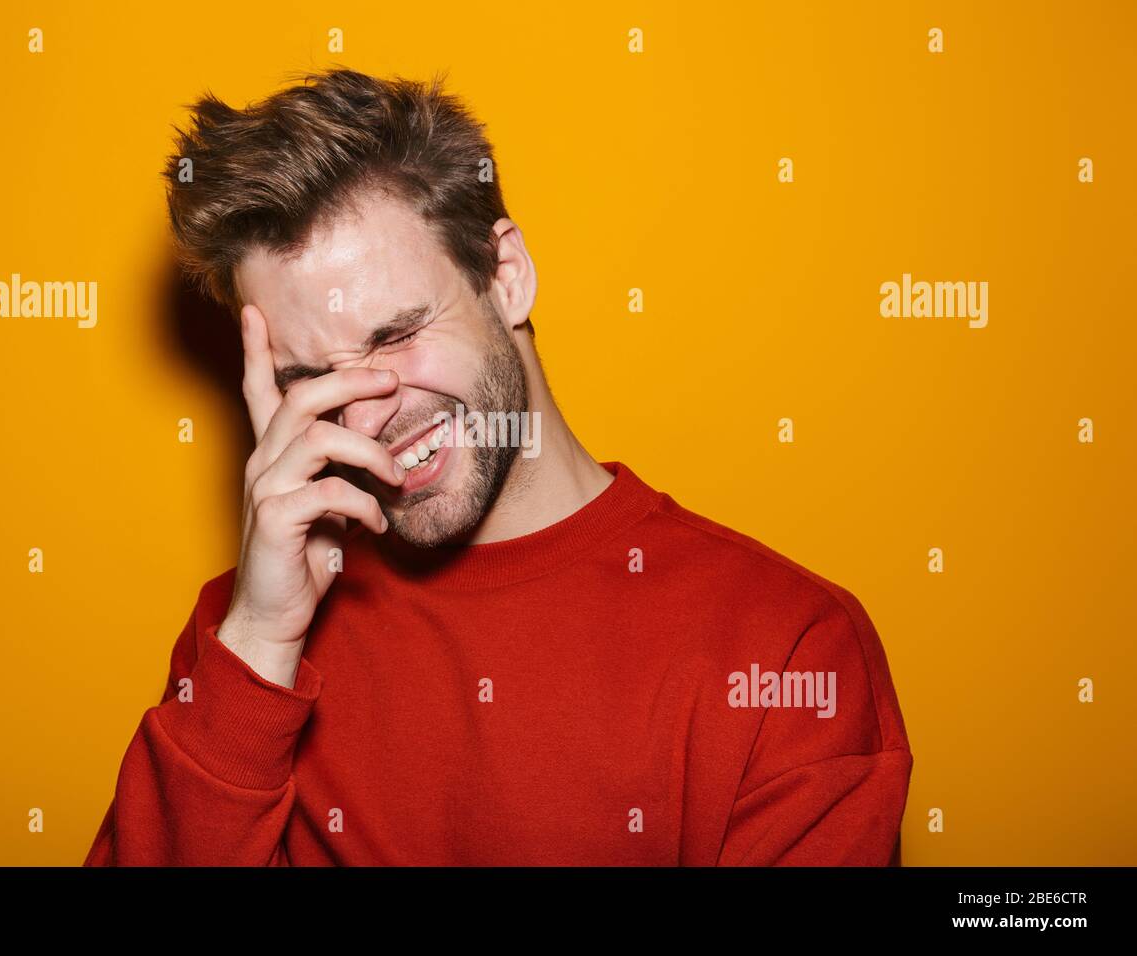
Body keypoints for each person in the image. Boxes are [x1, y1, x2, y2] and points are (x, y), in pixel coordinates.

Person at [85, 68, 912, 866]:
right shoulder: (245, 638)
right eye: (312, 381)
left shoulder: (786, 650)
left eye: (396, 335)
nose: (366, 414)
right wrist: (261, 643)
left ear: (506, 277)